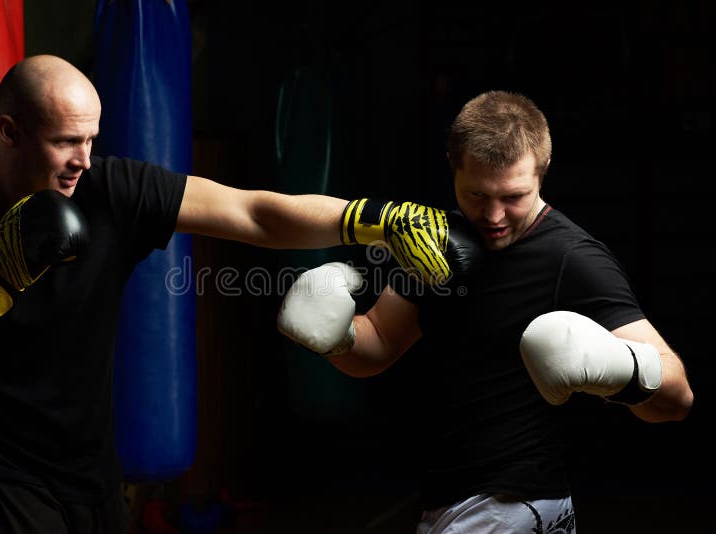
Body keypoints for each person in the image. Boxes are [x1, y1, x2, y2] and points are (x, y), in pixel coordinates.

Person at [0, 54, 454, 533]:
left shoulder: (109, 190)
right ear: (9, 132)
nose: (83, 158)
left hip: (90, 466)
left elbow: (252, 212)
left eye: (90, 140)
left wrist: (373, 219)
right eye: (64, 142)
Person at [277, 90, 694, 533]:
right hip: (449, 501)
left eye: (513, 196)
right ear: (452, 165)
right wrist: (336, 337)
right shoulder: (435, 241)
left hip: (514, 504)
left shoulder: (572, 258)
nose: (493, 215)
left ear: (543, 172)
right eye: (476, 194)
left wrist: (623, 367)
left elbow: (678, 397)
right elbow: (379, 342)